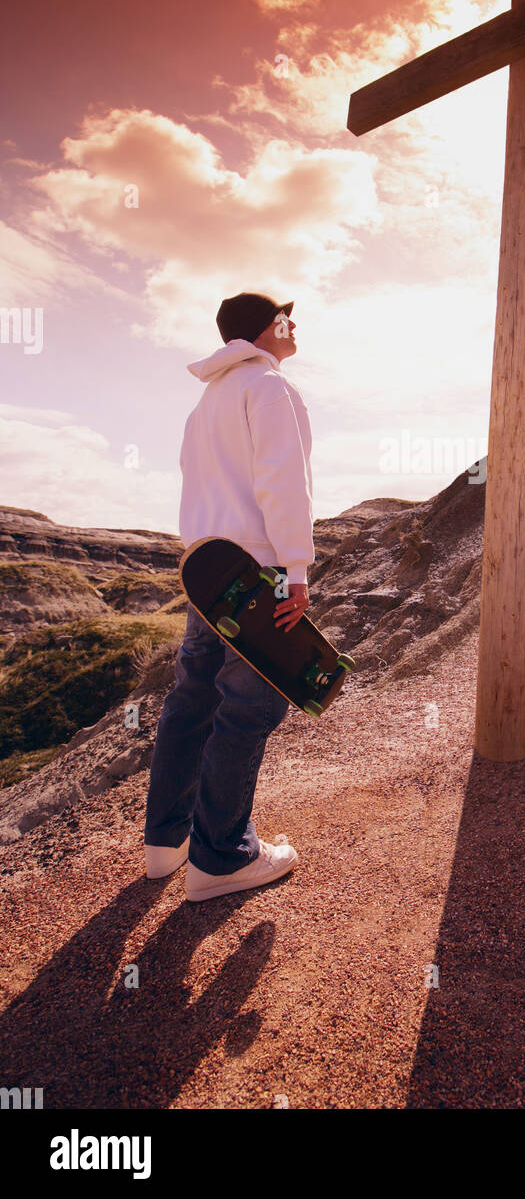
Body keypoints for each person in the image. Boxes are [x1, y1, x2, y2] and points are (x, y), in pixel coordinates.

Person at [144, 292, 315, 902]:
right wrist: (295, 567)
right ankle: (221, 858)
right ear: (263, 330)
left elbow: (197, 485)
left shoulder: (207, 399)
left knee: (191, 699)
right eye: (284, 319)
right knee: (248, 710)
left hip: (207, 570)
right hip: (257, 570)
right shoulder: (268, 387)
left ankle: (165, 845)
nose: (293, 327)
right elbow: (283, 480)